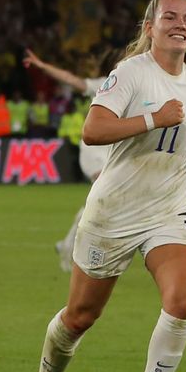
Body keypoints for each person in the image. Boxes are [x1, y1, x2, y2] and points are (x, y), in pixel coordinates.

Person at [23, 0, 186, 372]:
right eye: (170, 16)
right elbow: (93, 130)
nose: (181, 24)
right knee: (81, 317)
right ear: (150, 27)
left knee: (182, 302)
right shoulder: (129, 75)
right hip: (114, 212)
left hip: (169, 208)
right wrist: (152, 119)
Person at [23, 47, 122, 272]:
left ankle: (70, 244)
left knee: (104, 201)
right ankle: (74, 245)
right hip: (95, 150)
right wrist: (43, 66)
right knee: (103, 196)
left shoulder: (134, 88)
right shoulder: (105, 84)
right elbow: (72, 80)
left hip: (111, 151)